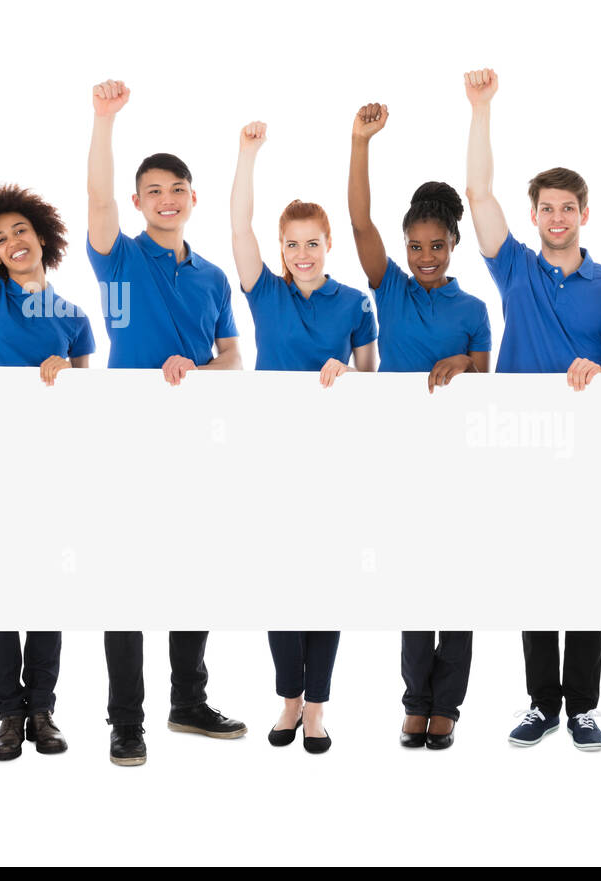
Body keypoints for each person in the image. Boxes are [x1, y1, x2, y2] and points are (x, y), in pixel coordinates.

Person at [464, 68, 601, 751]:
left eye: (568, 207)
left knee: (585, 574)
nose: (557, 218)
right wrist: (481, 109)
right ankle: (541, 701)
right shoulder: (516, 269)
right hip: (520, 439)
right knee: (535, 573)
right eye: (547, 208)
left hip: (585, 444)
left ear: (584, 214)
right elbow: (477, 192)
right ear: (534, 216)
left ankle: (583, 705)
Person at [87, 79, 247, 767]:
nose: (167, 198)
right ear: (137, 203)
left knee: (193, 572)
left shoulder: (212, 276)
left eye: (177, 188)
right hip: (128, 442)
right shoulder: (119, 257)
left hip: (197, 444)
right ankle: (127, 722)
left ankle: (188, 702)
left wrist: (195, 372)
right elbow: (94, 199)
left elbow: (234, 359)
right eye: (153, 190)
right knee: (125, 580)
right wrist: (103, 121)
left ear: (192, 198)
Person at [0, 84, 94, 761]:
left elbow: (95, 400)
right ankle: (9, 715)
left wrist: (69, 378)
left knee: (47, 585)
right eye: (0, 236)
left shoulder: (72, 318)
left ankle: (44, 711)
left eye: (20, 232)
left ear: (43, 238)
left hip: (53, 462)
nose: (11, 241)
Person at [347, 102, 490, 750]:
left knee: (455, 582)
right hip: (399, 457)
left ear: (454, 246)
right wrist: (361, 143)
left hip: (459, 460)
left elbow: (485, 375)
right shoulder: (393, 289)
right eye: (416, 246)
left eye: (436, 246)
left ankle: (448, 705)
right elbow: (357, 221)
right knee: (413, 581)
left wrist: (462, 360)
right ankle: (415, 698)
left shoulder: (474, 307)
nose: (425, 256)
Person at [233, 120, 378, 753]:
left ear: (328, 245)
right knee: (280, 583)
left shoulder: (354, 303)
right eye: (291, 243)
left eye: (312, 243)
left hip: (334, 462)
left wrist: (347, 369)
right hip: (272, 457)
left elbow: (373, 372)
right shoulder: (265, 292)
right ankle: (287, 700)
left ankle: (316, 706)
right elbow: (240, 230)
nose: (301, 254)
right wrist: (247, 155)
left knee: (324, 582)